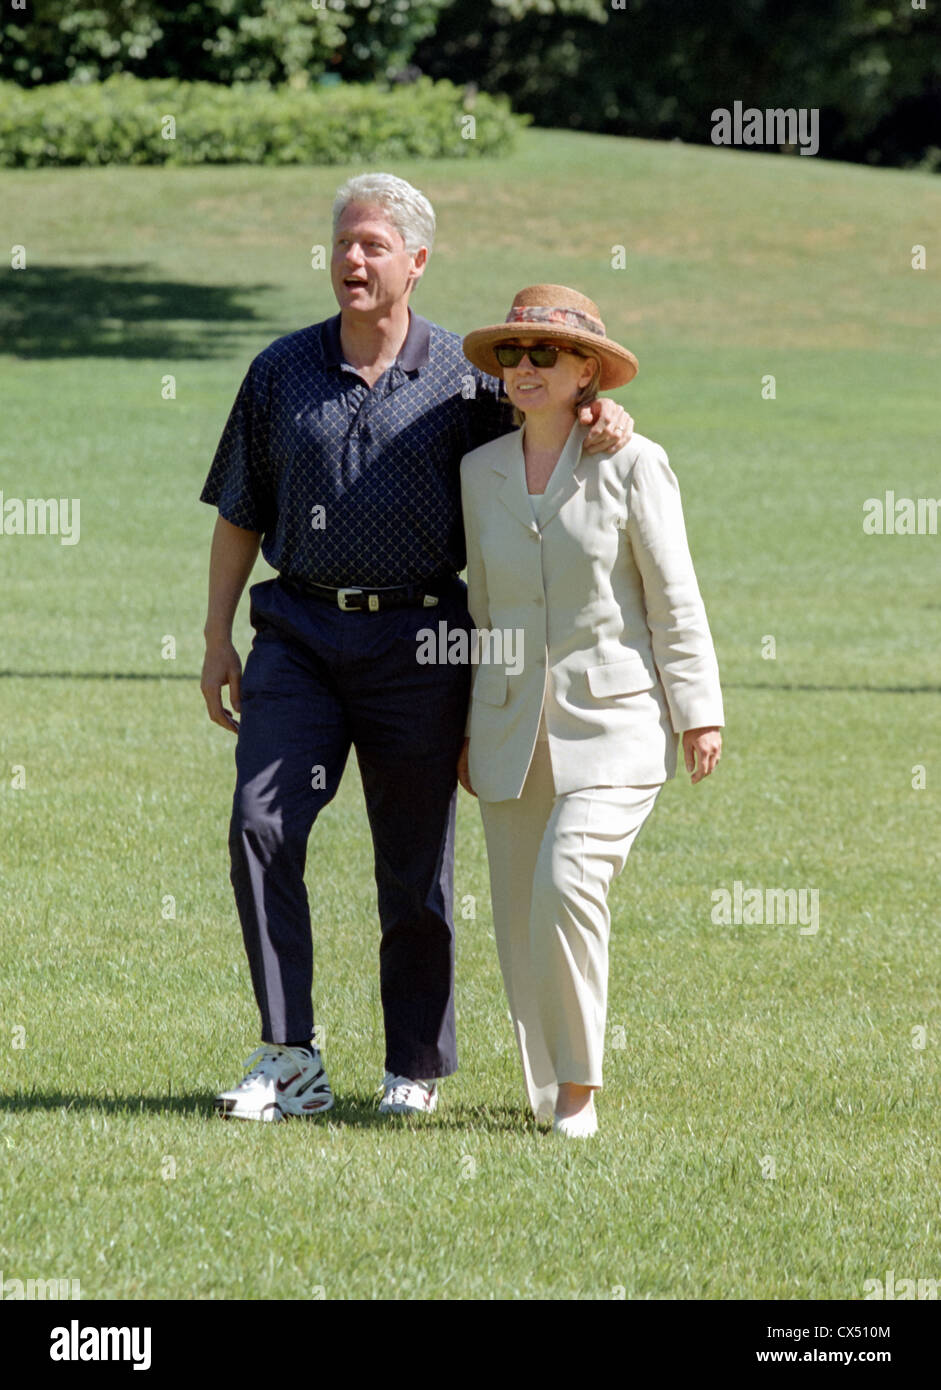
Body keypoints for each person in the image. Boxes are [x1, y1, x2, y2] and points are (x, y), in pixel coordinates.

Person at [199, 177, 634, 1122]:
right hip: (298, 637)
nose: (354, 261)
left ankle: (413, 1068)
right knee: (261, 827)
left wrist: (605, 417)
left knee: (413, 861)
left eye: (374, 247)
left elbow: (545, 423)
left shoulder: (468, 384)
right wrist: (214, 636)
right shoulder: (279, 372)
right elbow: (240, 510)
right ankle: (289, 1054)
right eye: (344, 243)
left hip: (423, 640)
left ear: (417, 262)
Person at [457, 284, 724, 1138]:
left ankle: (579, 1092)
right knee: (516, 916)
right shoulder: (478, 471)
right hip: (508, 729)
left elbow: (671, 596)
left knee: (568, 882)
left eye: (546, 353)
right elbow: (483, 611)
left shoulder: (632, 460)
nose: (525, 367)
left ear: (586, 371)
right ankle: (545, 1094)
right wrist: (471, 721)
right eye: (513, 353)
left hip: (618, 724)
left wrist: (698, 711)